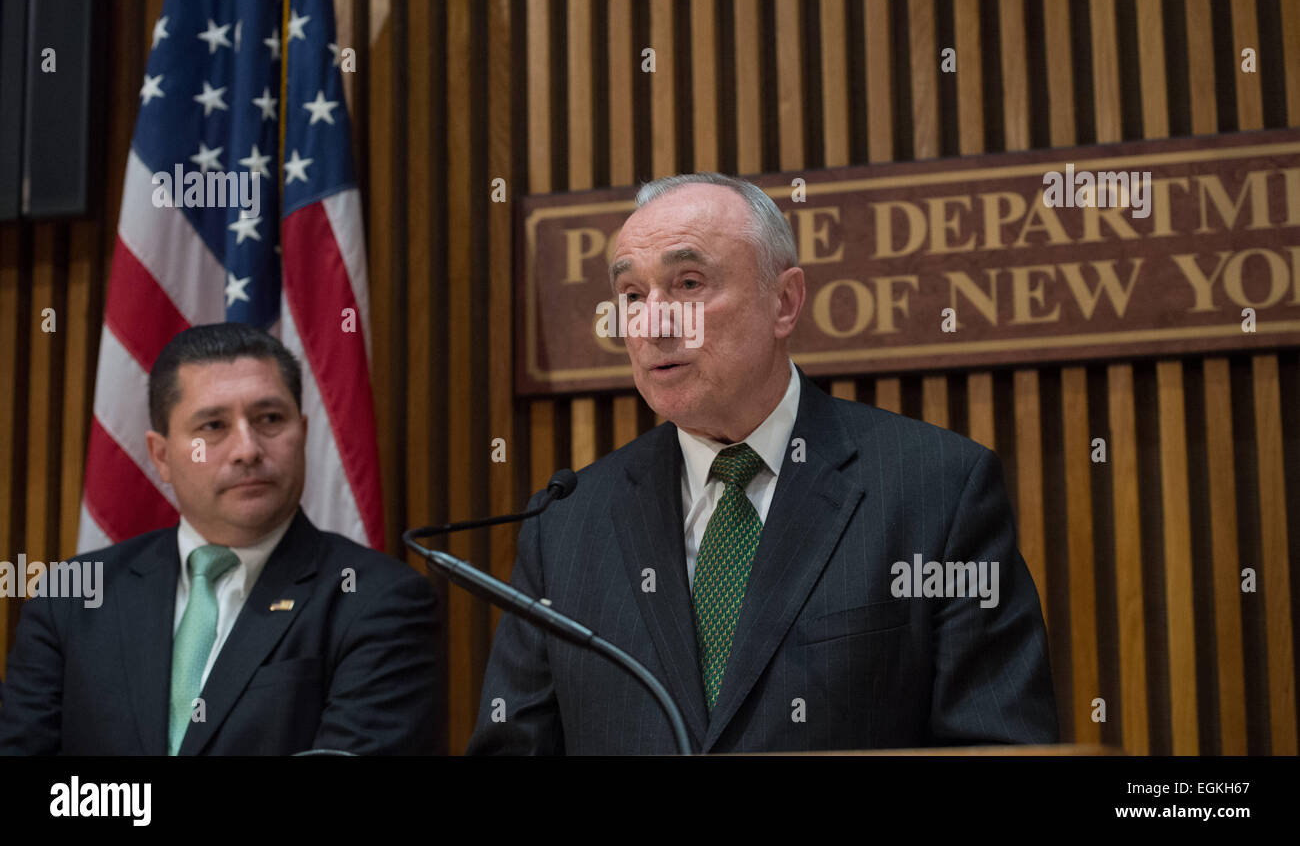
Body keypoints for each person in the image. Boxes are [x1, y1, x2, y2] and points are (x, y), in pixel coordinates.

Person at [468, 171, 1058, 754]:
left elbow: (998, 744)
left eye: (689, 283)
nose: (653, 322)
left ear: (785, 300)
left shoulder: (937, 490)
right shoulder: (567, 525)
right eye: (631, 296)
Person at [0, 323, 439, 755]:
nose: (247, 449)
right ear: (162, 456)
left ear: (302, 432)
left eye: (269, 419)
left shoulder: (379, 600)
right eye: (213, 426)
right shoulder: (72, 597)